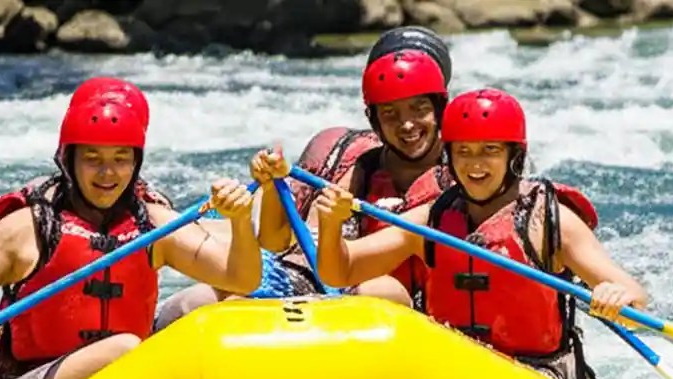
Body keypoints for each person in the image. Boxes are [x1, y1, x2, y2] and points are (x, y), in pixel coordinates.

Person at [0, 95, 262, 379]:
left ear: (136, 163)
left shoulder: (153, 225)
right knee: (125, 349)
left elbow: (243, 279)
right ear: (68, 160)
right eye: (93, 159)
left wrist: (239, 220)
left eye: (121, 159)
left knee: (209, 299)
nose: (108, 173)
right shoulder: (25, 229)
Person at [311, 88, 650, 379]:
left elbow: (636, 299)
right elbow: (339, 272)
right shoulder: (432, 219)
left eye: (489, 150)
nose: (475, 164)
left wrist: (615, 296)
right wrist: (330, 225)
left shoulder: (549, 220)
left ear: (513, 155)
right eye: (464, 151)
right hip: (453, 375)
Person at [152, 26, 457, 330]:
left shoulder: (466, 170)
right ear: (374, 114)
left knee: (377, 291)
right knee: (187, 305)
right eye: (390, 110)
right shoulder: (339, 151)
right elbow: (274, 242)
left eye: (419, 107)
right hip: (299, 283)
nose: (407, 124)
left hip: (390, 305)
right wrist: (271, 185)